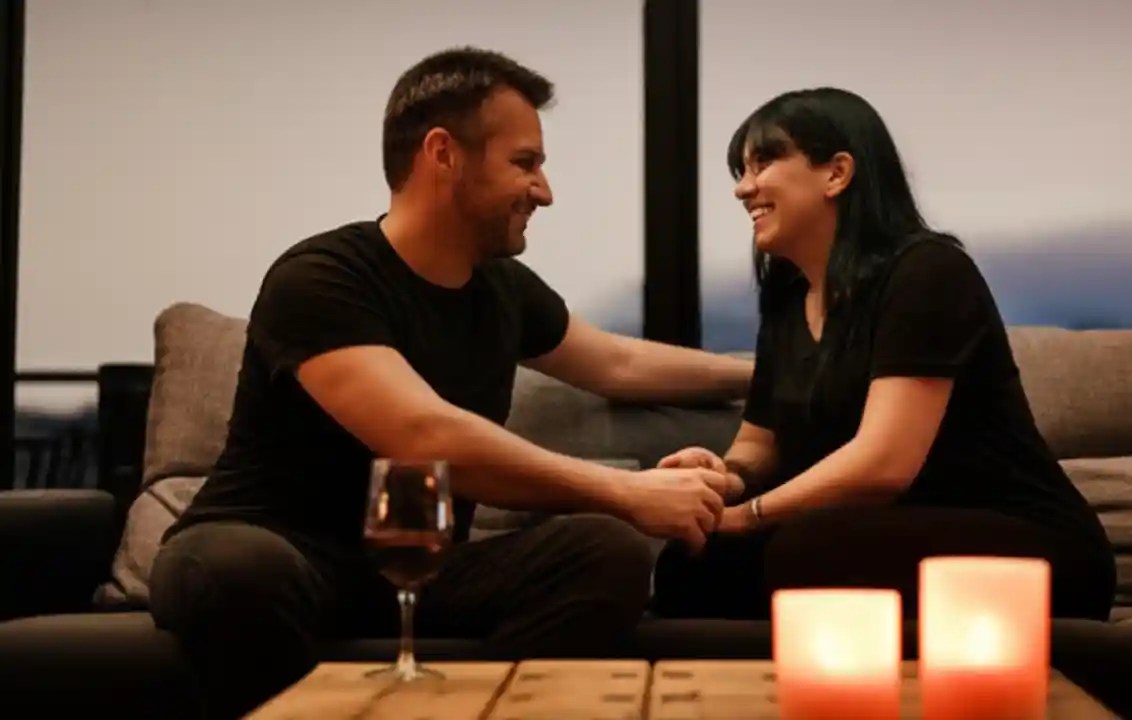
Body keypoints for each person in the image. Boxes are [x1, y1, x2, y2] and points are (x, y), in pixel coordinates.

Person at [148, 47, 752, 719]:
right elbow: (422, 435)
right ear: (443, 154)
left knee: (603, 553)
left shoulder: (503, 290)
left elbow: (618, 365)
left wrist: (770, 375)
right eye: (525, 163)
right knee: (234, 568)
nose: (544, 190)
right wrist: (626, 491)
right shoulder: (321, 278)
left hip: (415, 568)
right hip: (274, 554)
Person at [650, 87, 1116, 622]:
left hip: (1023, 543)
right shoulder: (788, 297)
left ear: (837, 174)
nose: (742, 188)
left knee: (805, 552)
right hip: (880, 529)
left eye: (764, 162)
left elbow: (882, 464)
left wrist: (750, 516)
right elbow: (759, 444)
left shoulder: (928, 273)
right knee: (688, 563)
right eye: (742, 169)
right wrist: (723, 478)